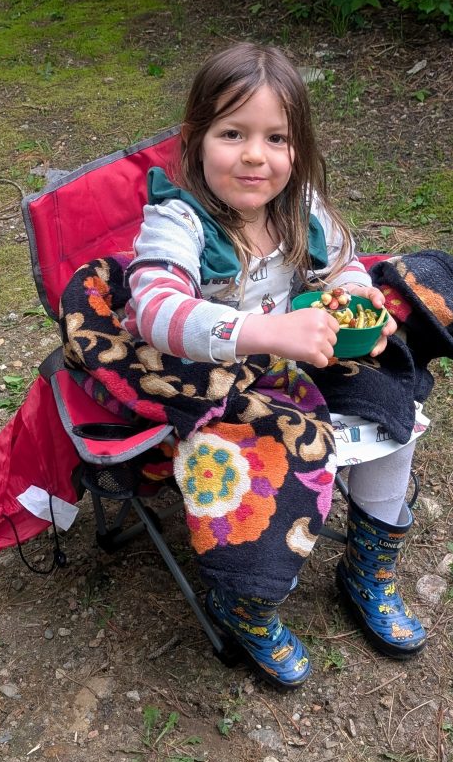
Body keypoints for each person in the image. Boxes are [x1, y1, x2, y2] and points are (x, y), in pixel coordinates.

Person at [121, 41, 426, 687]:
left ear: (298, 148)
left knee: (393, 411)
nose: (255, 155)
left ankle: (366, 565)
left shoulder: (300, 208)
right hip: (208, 379)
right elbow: (154, 310)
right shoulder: (177, 221)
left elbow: (343, 263)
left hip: (296, 357)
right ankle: (243, 601)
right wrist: (264, 330)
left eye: (276, 138)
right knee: (249, 469)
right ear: (196, 139)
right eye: (233, 133)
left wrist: (357, 302)